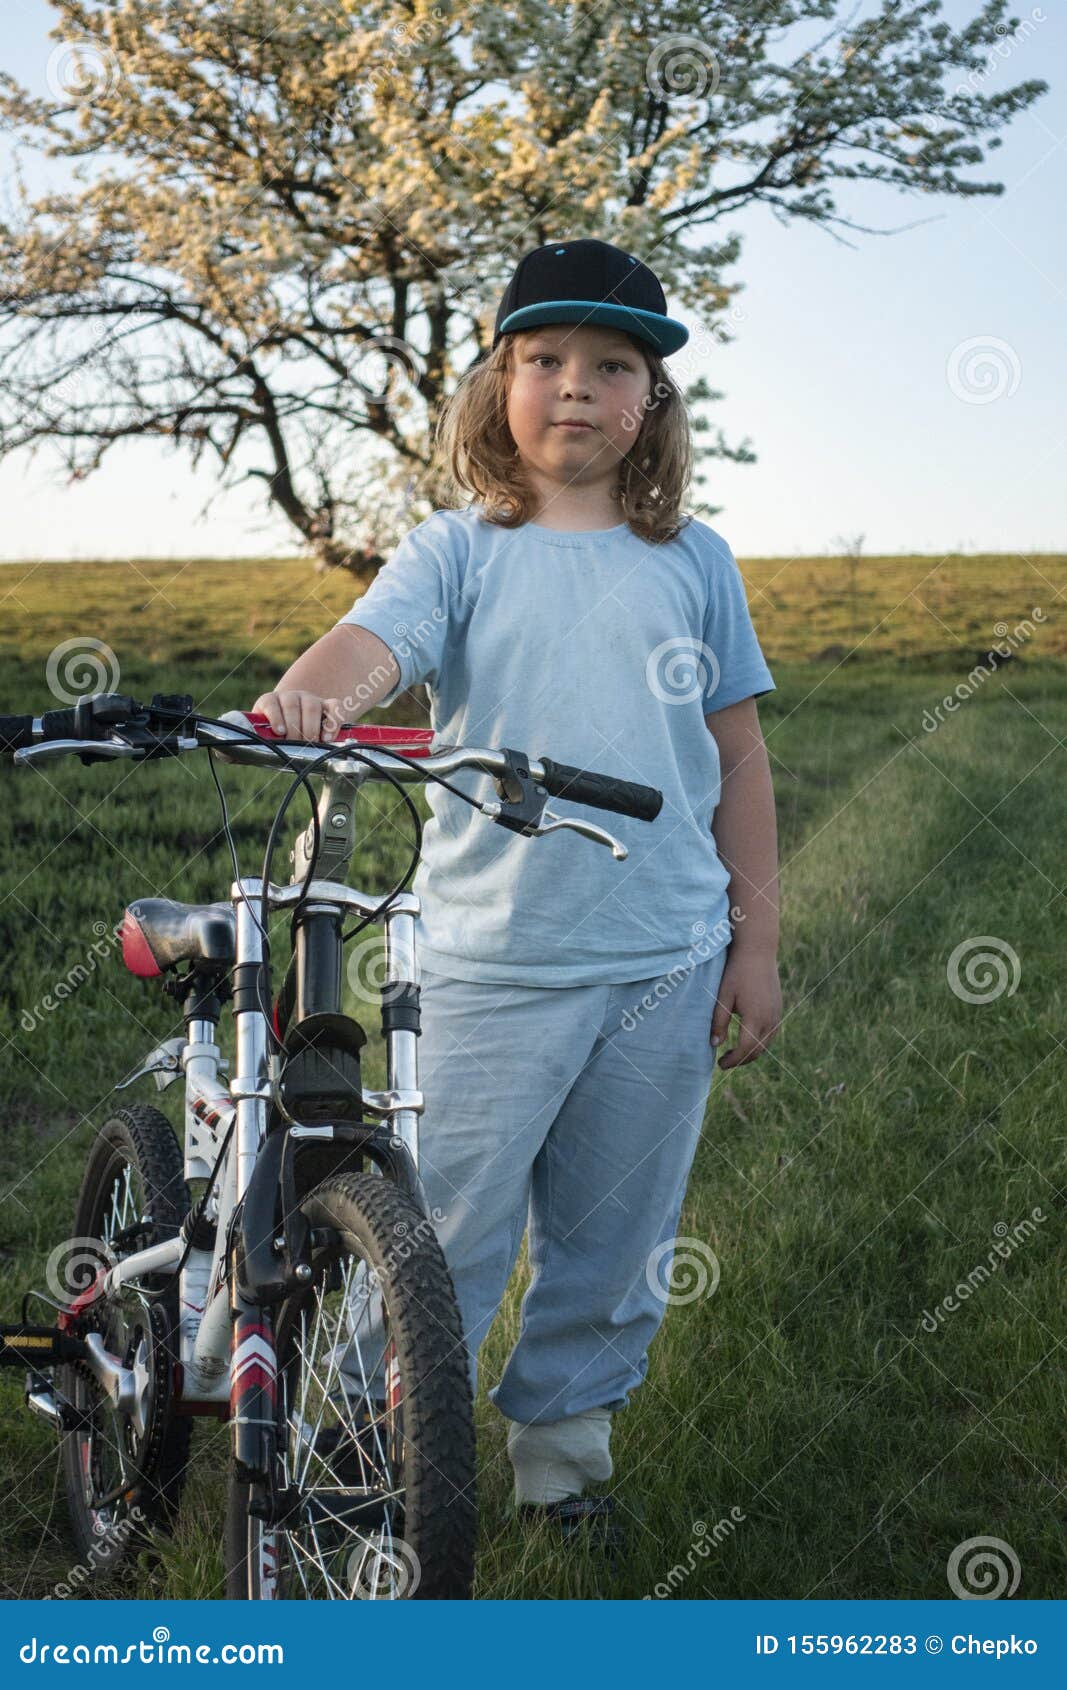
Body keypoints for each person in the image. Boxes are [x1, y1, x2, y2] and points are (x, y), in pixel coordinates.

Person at [251, 238, 782, 1550]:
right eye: (544, 359)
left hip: (664, 957)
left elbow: (741, 753)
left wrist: (754, 939)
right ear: (499, 385)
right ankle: (367, 1451)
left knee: (612, 1240)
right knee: (444, 1235)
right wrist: (324, 687)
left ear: (654, 403)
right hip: (493, 963)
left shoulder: (694, 560)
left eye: (613, 366)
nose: (576, 388)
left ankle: (562, 1463)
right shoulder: (461, 550)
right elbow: (375, 641)